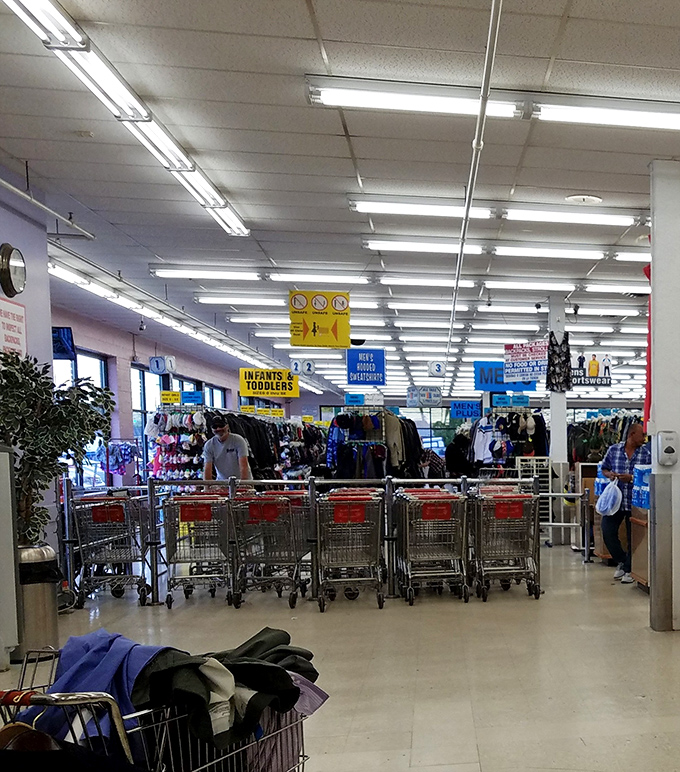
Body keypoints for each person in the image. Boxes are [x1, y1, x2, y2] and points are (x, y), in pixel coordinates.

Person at [600, 423, 651, 584]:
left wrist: (632, 478)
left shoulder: (647, 454)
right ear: (631, 434)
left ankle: (629, 568)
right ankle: (622, 560)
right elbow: (604, 468)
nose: (644, 438)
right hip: (616, 501)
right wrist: (610, 475)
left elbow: (650, 476)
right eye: (641, 435)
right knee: (607, 531)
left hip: (636, 502)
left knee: (634, 538)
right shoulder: (614, 450)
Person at [203, 415, 252, 480]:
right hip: (222, 482)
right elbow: (207, 469)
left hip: (241, 480)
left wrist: (244, 485)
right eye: (215, 427)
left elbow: (244, 466)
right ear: (211, 429)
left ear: (227, 426)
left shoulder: (239, 440)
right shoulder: (209, 445)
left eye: (221, 426)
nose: (218, 429)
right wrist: (207, 488)